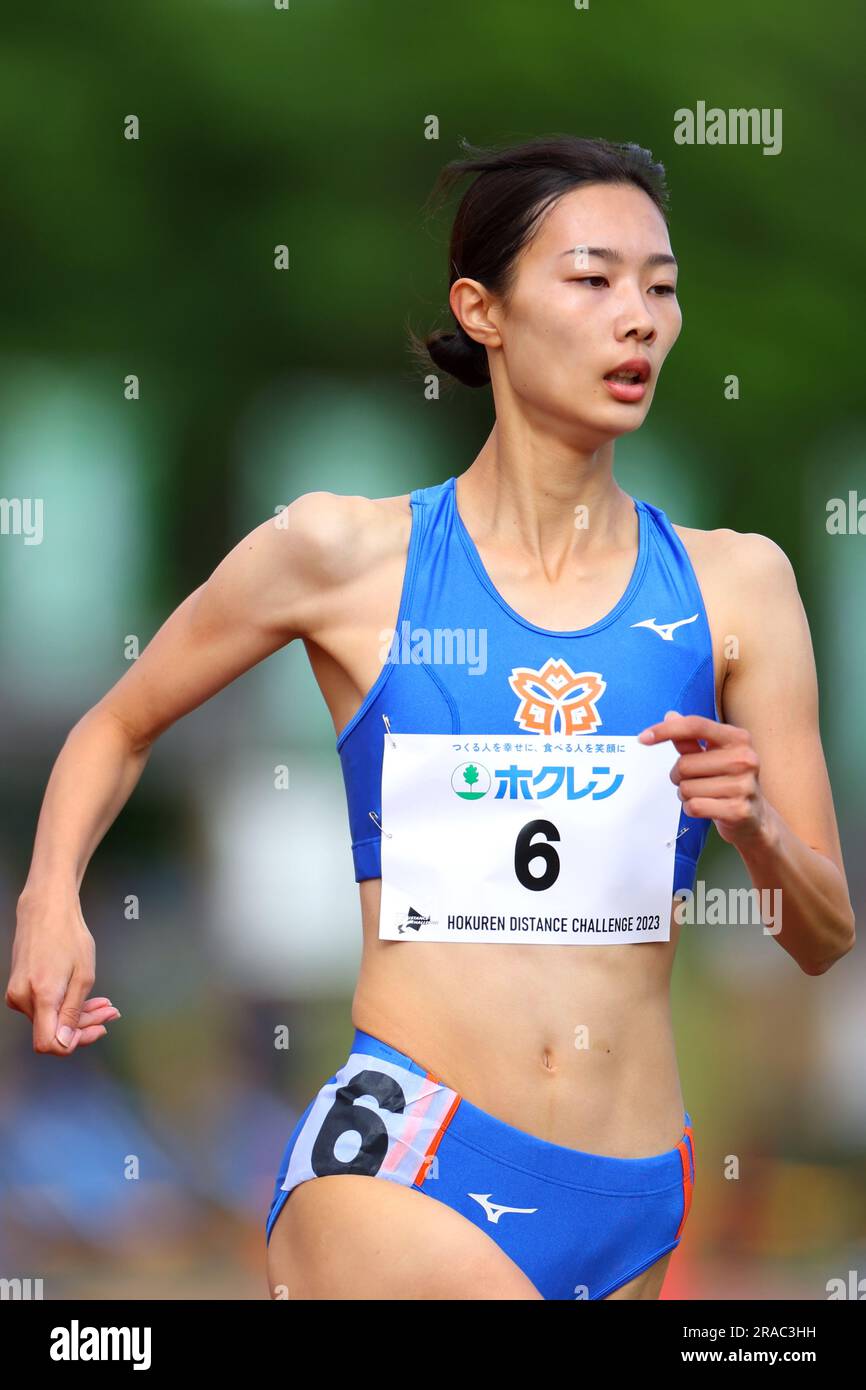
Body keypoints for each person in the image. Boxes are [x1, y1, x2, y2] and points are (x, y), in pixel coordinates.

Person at [7, 135, 855, 1302]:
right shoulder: (343, 554)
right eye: (592, 278)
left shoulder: (736, 585)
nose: (638, 319)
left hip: (632, 1192)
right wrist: (51, 901)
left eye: (659, 288)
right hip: (406, 1159)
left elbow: (821, 932)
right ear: (483, 309)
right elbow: (115, 724)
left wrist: (756, 822)